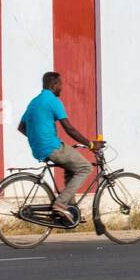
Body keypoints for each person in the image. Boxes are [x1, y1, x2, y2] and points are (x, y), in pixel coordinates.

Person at [17, 71, 99, 223]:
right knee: (86, 167)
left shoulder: (34, 102)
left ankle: (71, 210)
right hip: (52, 147)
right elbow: (69, 129)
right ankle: (61, 205)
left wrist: (37, 138)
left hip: (39, 148)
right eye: (60, 85)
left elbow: (21, 127)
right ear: (53, 85)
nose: (62, 88)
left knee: (72, 168)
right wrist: (91, 144)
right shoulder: (52, 100)